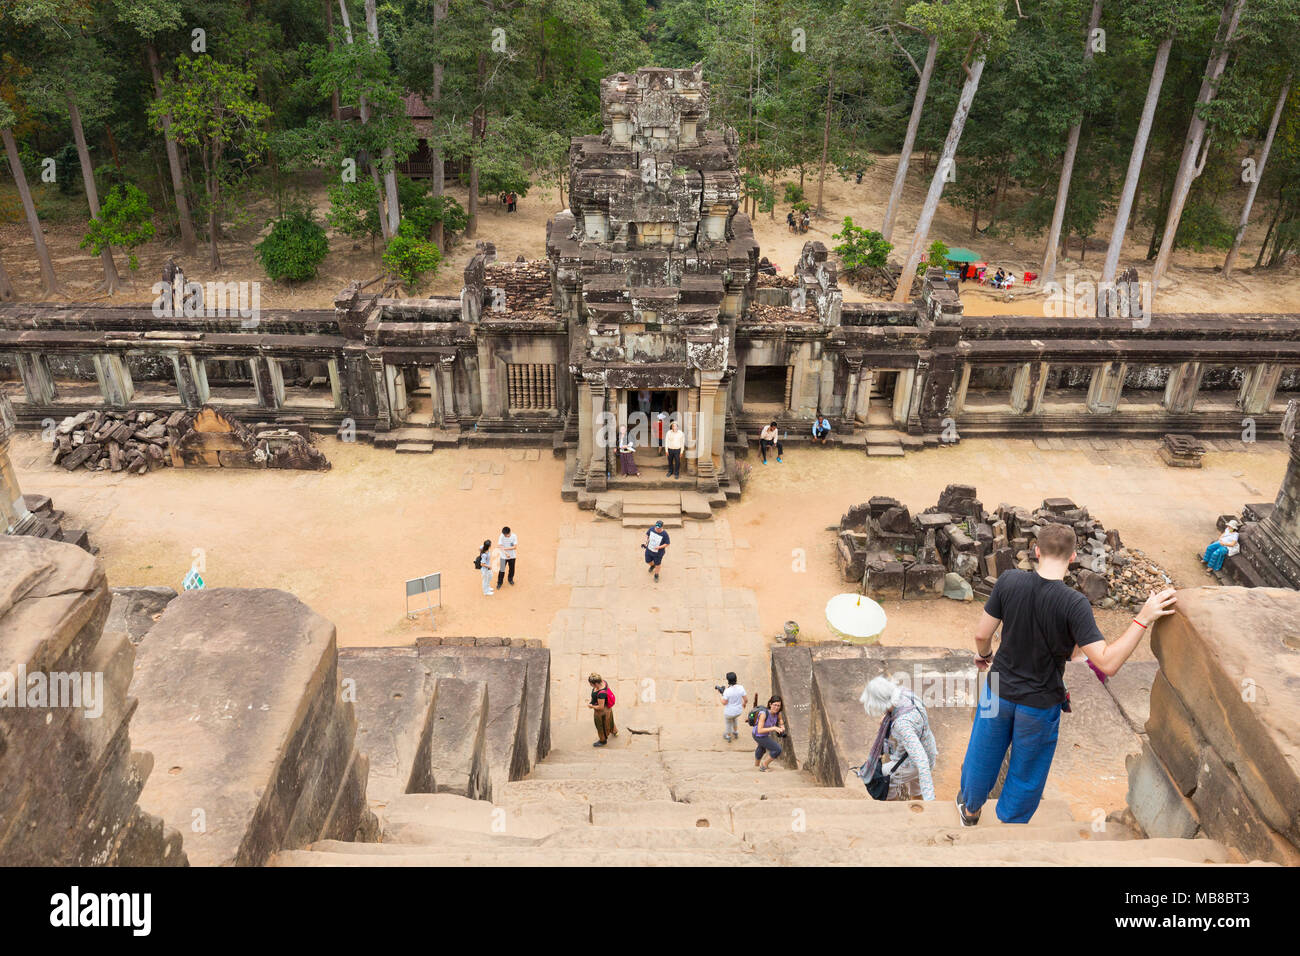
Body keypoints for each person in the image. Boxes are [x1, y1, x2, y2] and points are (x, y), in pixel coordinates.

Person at [956, 523, 1177, 826]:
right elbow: (1106, 663)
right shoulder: (1074, 604)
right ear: (1073, 557)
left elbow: (982, 635)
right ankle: (1011, 824)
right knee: (1027, 769)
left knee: (982, 751)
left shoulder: (1008, 581)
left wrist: (985, 656)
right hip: (1040, 700)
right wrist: (1142, 618)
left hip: (998, 686)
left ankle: (970, 811)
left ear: (1036, 551)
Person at [858, 676, 937, 800]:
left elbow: (922, 761)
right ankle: (918, 803)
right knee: (916, 785)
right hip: (928, 747)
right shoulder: (905, 693)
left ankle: (895, 808)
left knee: (883, 778)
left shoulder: (902, 725)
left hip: (913, 761)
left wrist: (930, 799)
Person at [752, 695, 786, 771]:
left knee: (761, 748)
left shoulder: (778, 713)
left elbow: (780, 720)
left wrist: (782, 726)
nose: (776, 707)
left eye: (778, 706)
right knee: (777, 749)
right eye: (775, 705)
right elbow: (759, 730)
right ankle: (764, 766)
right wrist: (774, 728)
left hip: (764, 734)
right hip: (758, 735)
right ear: (770, 704)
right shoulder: (764, 714)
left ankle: (756, 766)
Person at [588, 673, 617, 747]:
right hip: (608, 708)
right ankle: (614, 731)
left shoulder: (601, 694)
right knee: (610, 720)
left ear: (596, 684)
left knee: (600, 726)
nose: (590, 685)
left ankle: (602, 740)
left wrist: (591, 706)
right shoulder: (604, 682)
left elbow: (600, 707)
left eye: (591, 684)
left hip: (601, 712)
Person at [719, 672, 747, 741]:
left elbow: (724, 703)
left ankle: (728, 736)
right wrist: (744, 704)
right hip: (738, 711)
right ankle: (735, 732)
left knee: (728, 723)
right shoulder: (741, 688)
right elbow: (746, 699)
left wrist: (720, 695)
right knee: (734, 719)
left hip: (729, 712)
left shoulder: (727, 691)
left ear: (728, 681)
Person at [643, 519, 670, 583]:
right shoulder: (651, 529)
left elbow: (667, 543)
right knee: (647, 561)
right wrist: (646, 541)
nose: (657, 529)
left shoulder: (665, 534)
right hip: (649, 549)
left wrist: (659, 547)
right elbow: (647, 534)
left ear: (662, 527)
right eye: (656, 527)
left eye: (659, 528)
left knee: (658, 564)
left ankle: (656, 575)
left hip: (658, 553)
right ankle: (652, 565)